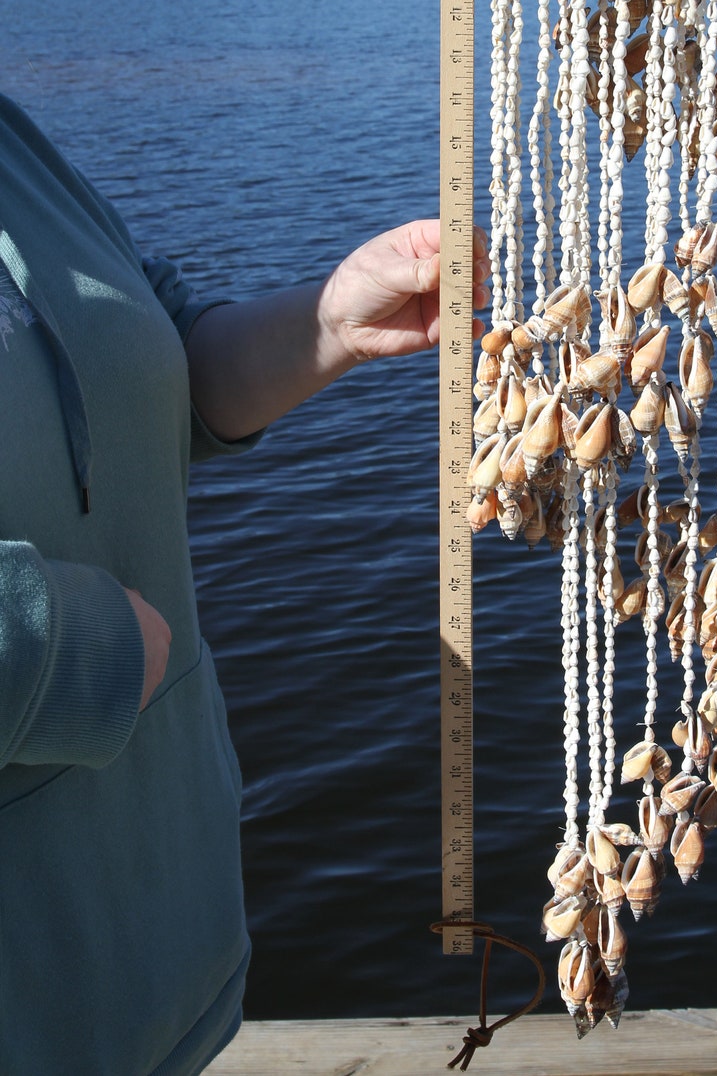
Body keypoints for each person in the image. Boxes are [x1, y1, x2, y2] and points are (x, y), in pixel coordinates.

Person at [0, 90, 488, 1076]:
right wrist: (61, 646)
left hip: (158, 978)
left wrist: (330, 320)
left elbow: (149, 356)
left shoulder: (13, 145)